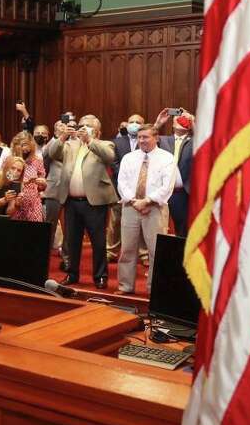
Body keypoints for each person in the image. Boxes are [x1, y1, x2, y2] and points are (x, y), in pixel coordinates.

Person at [45, 114, 117, 289]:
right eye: (81, 125)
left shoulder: (103, 144)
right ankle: (72, 274)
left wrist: (90, 140)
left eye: (87, 126)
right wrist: (62, 136)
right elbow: (51, 153)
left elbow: (109, 156)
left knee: (98, 241)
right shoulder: (69, 145)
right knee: (72, 241)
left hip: (94, 202)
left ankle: (100, 276)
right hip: (71, 201)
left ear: (97, 131)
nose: (82, 128)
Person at [116, 124, 174, 294]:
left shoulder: (167, 158)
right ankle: (125, 287)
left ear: (156, 138)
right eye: (140, 137)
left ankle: (154, 290)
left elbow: (167, 186)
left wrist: (148, 201)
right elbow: (122, 183)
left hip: (155, 208)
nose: (141, 140)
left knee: (156, 251)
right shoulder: (129, 157)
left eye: (146, 137)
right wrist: (135, 202)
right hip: (130, 207)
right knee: (127, 249)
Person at [108, 112, 146, 262]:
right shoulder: (118, 142)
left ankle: (143, 254)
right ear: (126, 124)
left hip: (142, 187)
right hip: (120, 186)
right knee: (115, 220)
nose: (134, 124)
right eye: (132, 121)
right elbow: (113, 162)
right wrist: (125, 176)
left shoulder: (146, 141)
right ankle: (111, 250)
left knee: (143, 220)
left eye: (138, 121)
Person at [157, 109, 195, 236]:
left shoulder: (195, 141)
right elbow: (146, 139)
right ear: (172, 124)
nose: (181, 118)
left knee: (182, 229)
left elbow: (206, 140)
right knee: (158, 228)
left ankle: (182, 255)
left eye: (184, 118)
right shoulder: (162, 140)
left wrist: (193, 123)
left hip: (182, 193)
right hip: (161, 190)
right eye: (178, 116)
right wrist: (158, 123)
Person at [41, 120, 69, 271]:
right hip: (54, 189)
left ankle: (66, 259)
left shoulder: (74, 143)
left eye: (65, 125)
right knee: (49, 225)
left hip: (71, 189)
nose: (62, 127)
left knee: (69, 228)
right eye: (59, 125)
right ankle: (43, 256)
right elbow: (46, 154)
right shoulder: (51, 143)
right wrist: (59, 138)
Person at [7, 130, 46, 222]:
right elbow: (6, 181)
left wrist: (42, 183)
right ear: (15, 145)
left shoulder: (37, 160)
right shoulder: (10, 160)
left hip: (33, 205)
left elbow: (42, 185)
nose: (24, 148)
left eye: (26, 144)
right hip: (15, 204)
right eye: (21, 145)